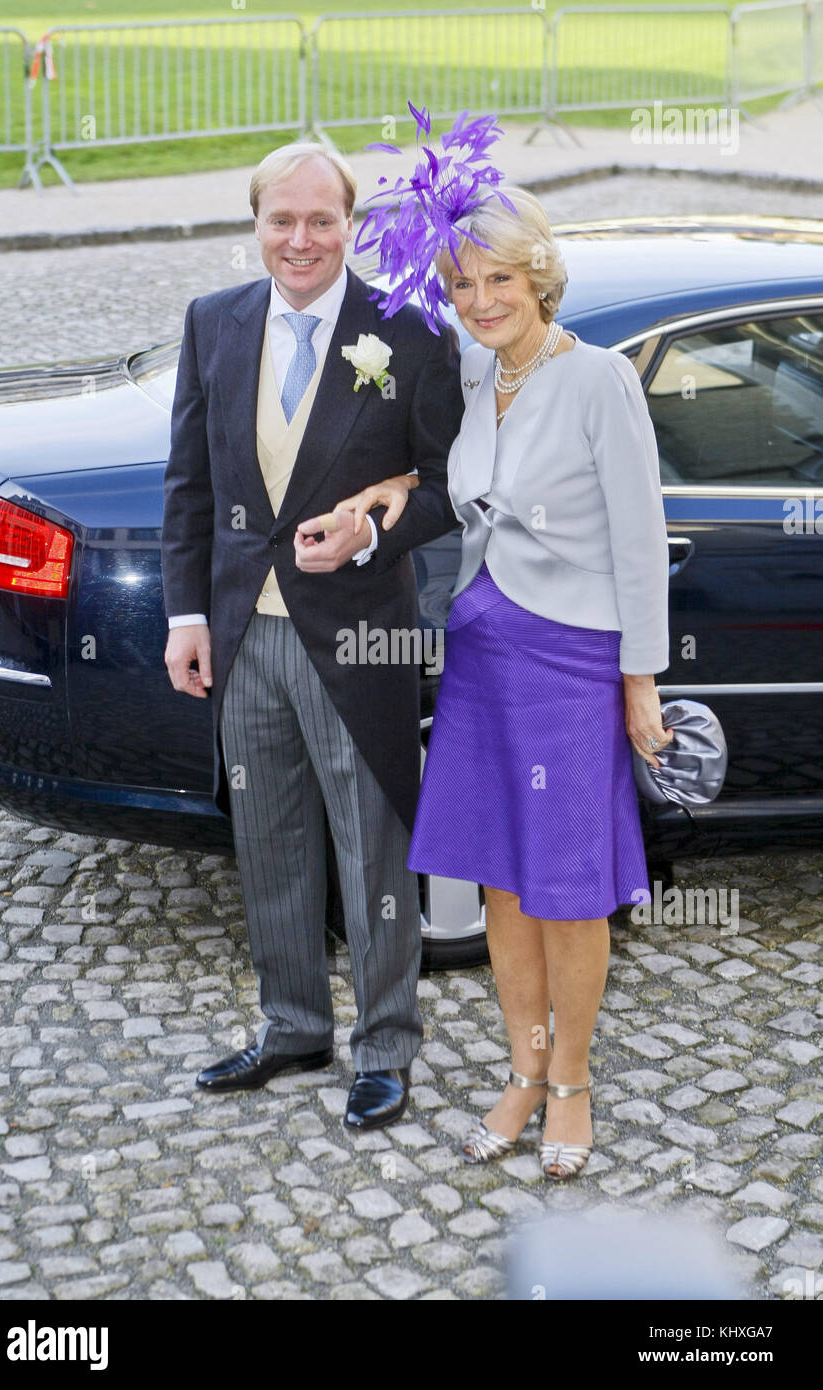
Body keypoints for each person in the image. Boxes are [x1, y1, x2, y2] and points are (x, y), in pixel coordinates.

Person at [340, 177, 671, 1179]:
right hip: (487, 648)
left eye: (499, 278)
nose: (482, 300)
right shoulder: (477, 379)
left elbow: (639, 541)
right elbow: (455, 488)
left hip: (572, 660)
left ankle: (568, 1079)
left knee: (565, 888)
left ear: (537, 276)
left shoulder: (596, 379)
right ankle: (519, 1071)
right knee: (500, 882)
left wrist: (638, 681)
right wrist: (394, 486)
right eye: (463, 282)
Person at [160, 142, 463, 1131]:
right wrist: (187, 615)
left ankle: (384, 1045)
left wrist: (372, 530)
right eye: (279, 220)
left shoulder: (408, 332)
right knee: (270, 836)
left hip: (359, 634)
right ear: (254, 223)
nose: (299, 240)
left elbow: (447, 482)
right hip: (245, 632)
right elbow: (189, 485)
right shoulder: (214, 323)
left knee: (371, 847)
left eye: (319, 220)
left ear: (351, 226)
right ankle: (291, 1024)